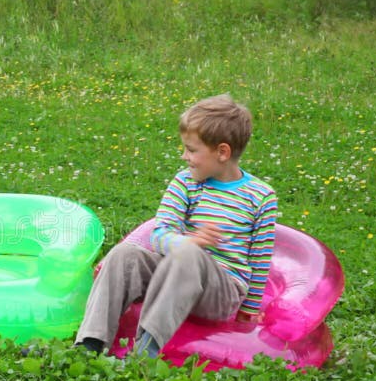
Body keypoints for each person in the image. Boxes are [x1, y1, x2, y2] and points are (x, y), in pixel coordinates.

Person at [75, 94, 277, 357]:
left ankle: (145, 353)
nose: (184, 156)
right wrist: (187, 243)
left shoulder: (261, 197)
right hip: (174, 274)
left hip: (221, 292)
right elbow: (160, 233)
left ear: (222, 152)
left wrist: (249, 310)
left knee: (190, 254)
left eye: (192, 150)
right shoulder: (186, 183)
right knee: (126, 255)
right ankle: (89, 345)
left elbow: (260, 260)